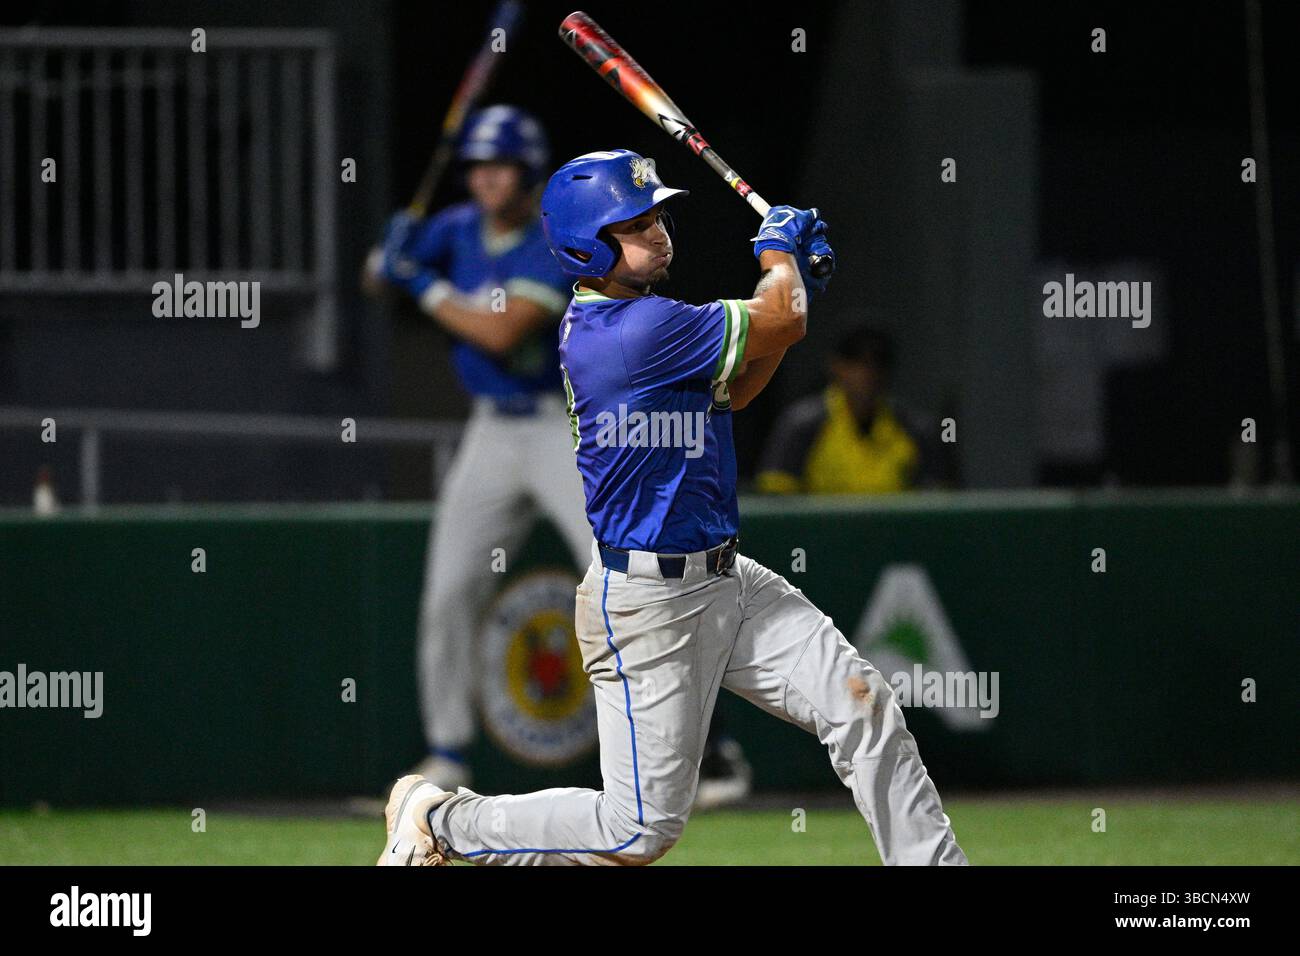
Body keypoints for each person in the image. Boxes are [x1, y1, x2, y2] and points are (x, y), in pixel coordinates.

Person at [377, 149, 967, 866]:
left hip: (727, 580)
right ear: (586, 246)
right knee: (638, 832)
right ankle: (444, 823)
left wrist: (793, 282)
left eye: (656, 214)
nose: (657, 231)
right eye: (633, 222)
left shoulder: (656, 322)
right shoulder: (631, 334)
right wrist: (780, 256)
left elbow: (742, 386)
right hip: (646, 607)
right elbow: (782, 318)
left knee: (863, 705)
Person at [375, 112, 750, 803]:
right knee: (451, 586)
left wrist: (419, 284)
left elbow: (501, 333)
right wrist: (388, 258)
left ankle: (708, 749)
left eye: (503, 166)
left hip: (568, 429)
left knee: (643, 577)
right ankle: (448, 752)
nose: (488, 177)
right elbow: (377, 283)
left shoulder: (554, 243)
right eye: (479, 166)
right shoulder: (457, 227)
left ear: (527, 174)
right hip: (489, 431)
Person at [756, 325, 943, 494]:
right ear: (835, 365)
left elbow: (936, 501)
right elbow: (775, 498)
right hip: (822, 532)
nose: (867, 372)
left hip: (893, 532)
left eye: (878, 360)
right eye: (855, 359)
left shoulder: (917, 429)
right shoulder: (801, 424)